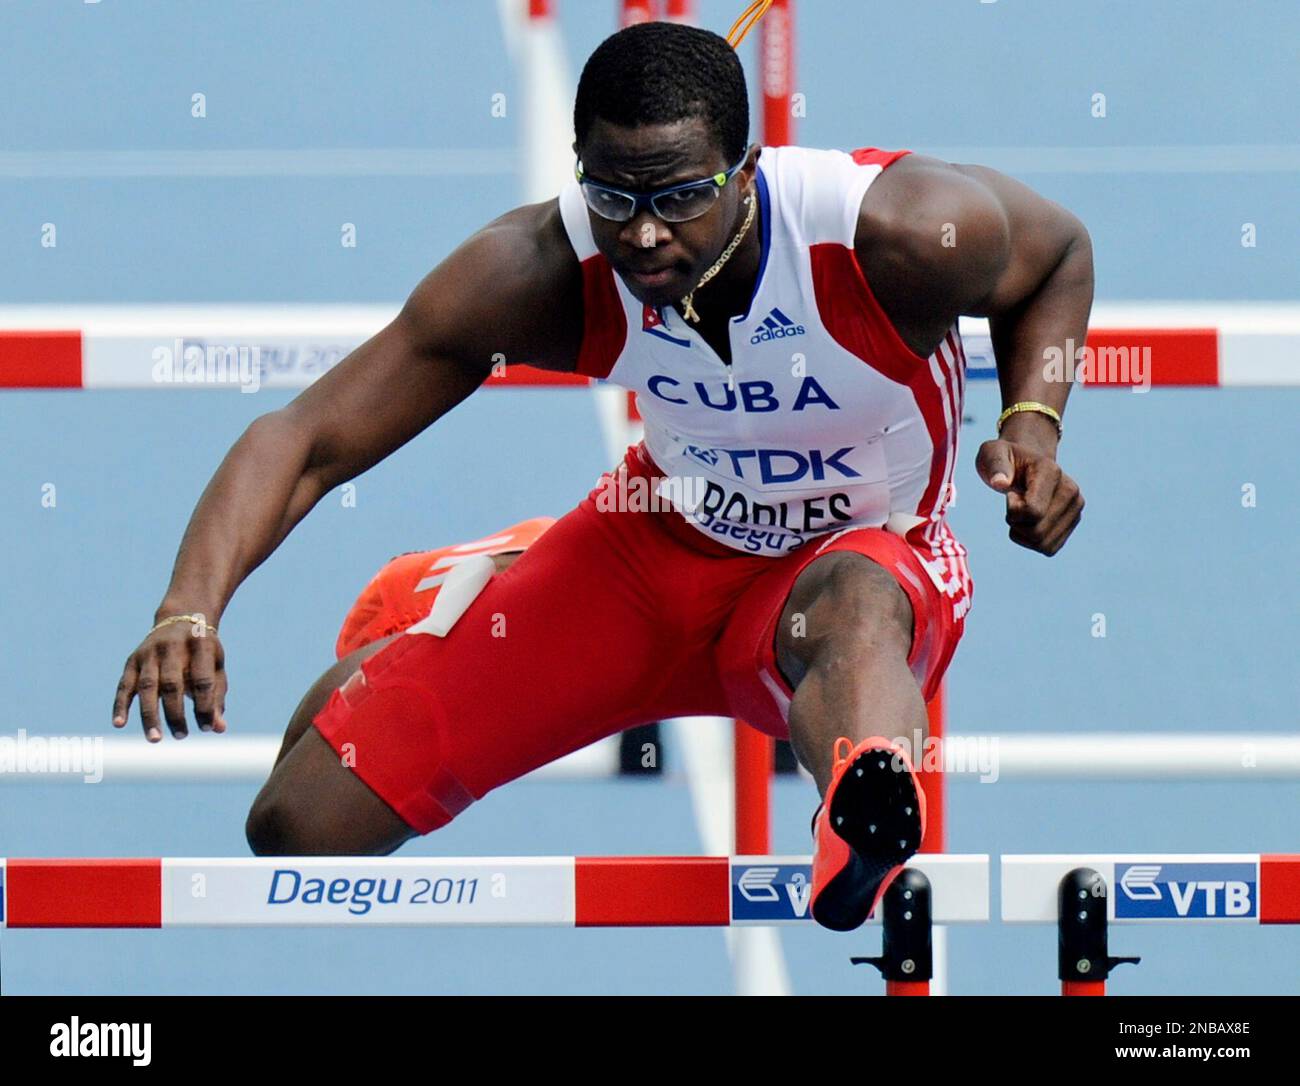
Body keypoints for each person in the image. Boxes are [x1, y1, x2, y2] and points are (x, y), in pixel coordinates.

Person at [111, 22, 1090, 931]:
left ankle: (863, 808)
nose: (644, 235)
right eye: (612, 197)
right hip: (646, 557)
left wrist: (1033, 426)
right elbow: (308, 436)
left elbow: (1056, 256)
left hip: (845, 576)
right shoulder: (539, 269)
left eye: (678, 197)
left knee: (858, 601)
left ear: (746, 171)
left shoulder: (901, 233)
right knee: (299, 828)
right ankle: (479, 592)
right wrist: (188, 608)